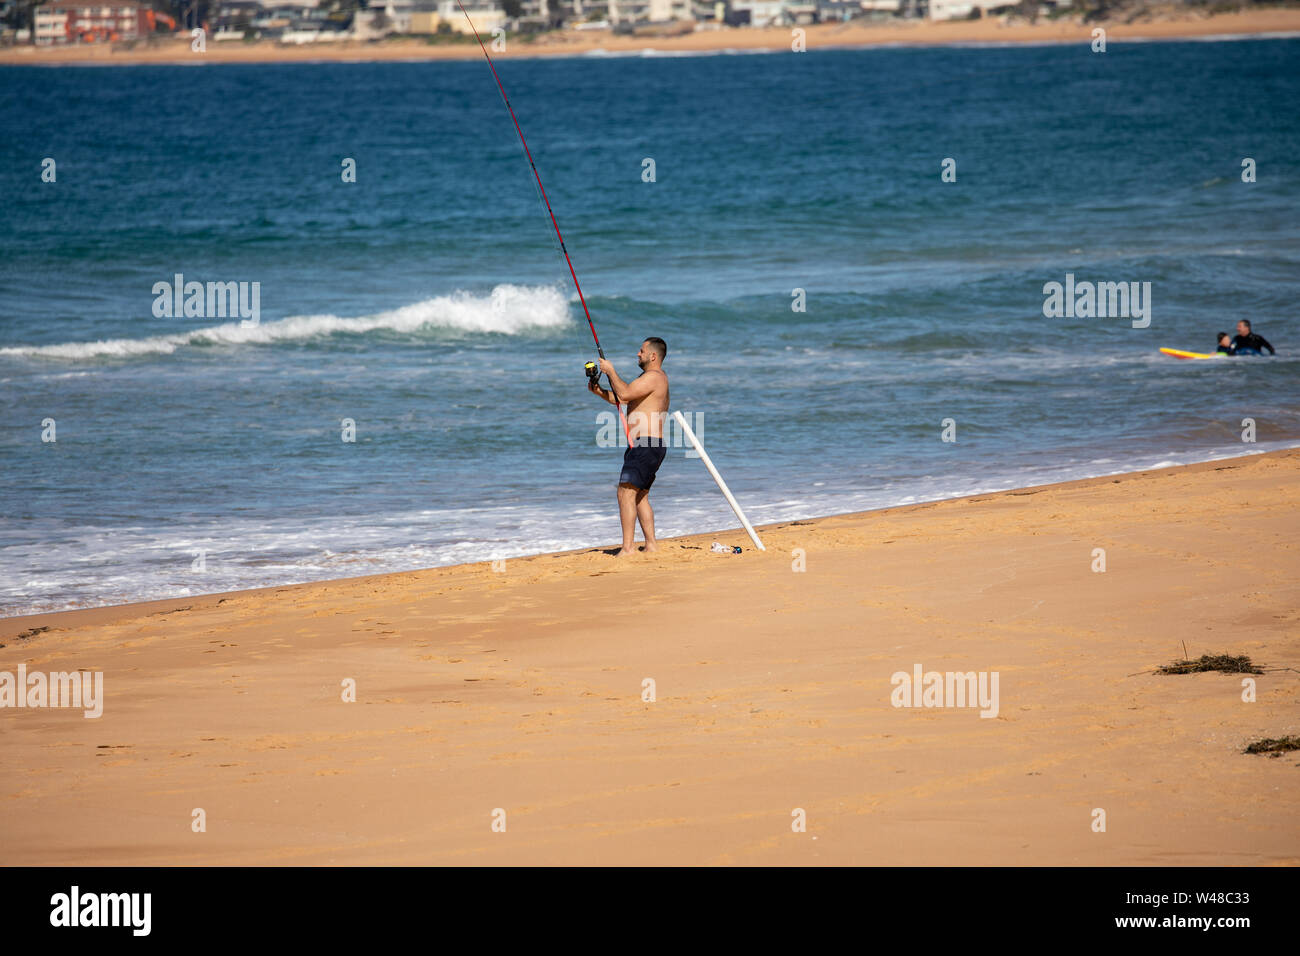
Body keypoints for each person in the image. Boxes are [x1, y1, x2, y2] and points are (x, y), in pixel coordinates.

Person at [588, 337, 670, 556]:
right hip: (646, 445)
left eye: (641, 351)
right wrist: (598, 390)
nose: (637, 354)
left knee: (625, 492)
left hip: (646, 444)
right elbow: (623, 399)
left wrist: (611, 371)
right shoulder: (649, 379)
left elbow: (624, 393)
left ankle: (627, 548)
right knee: (640, 495)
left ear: (653, 356)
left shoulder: (654, 377)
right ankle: (651, 545)